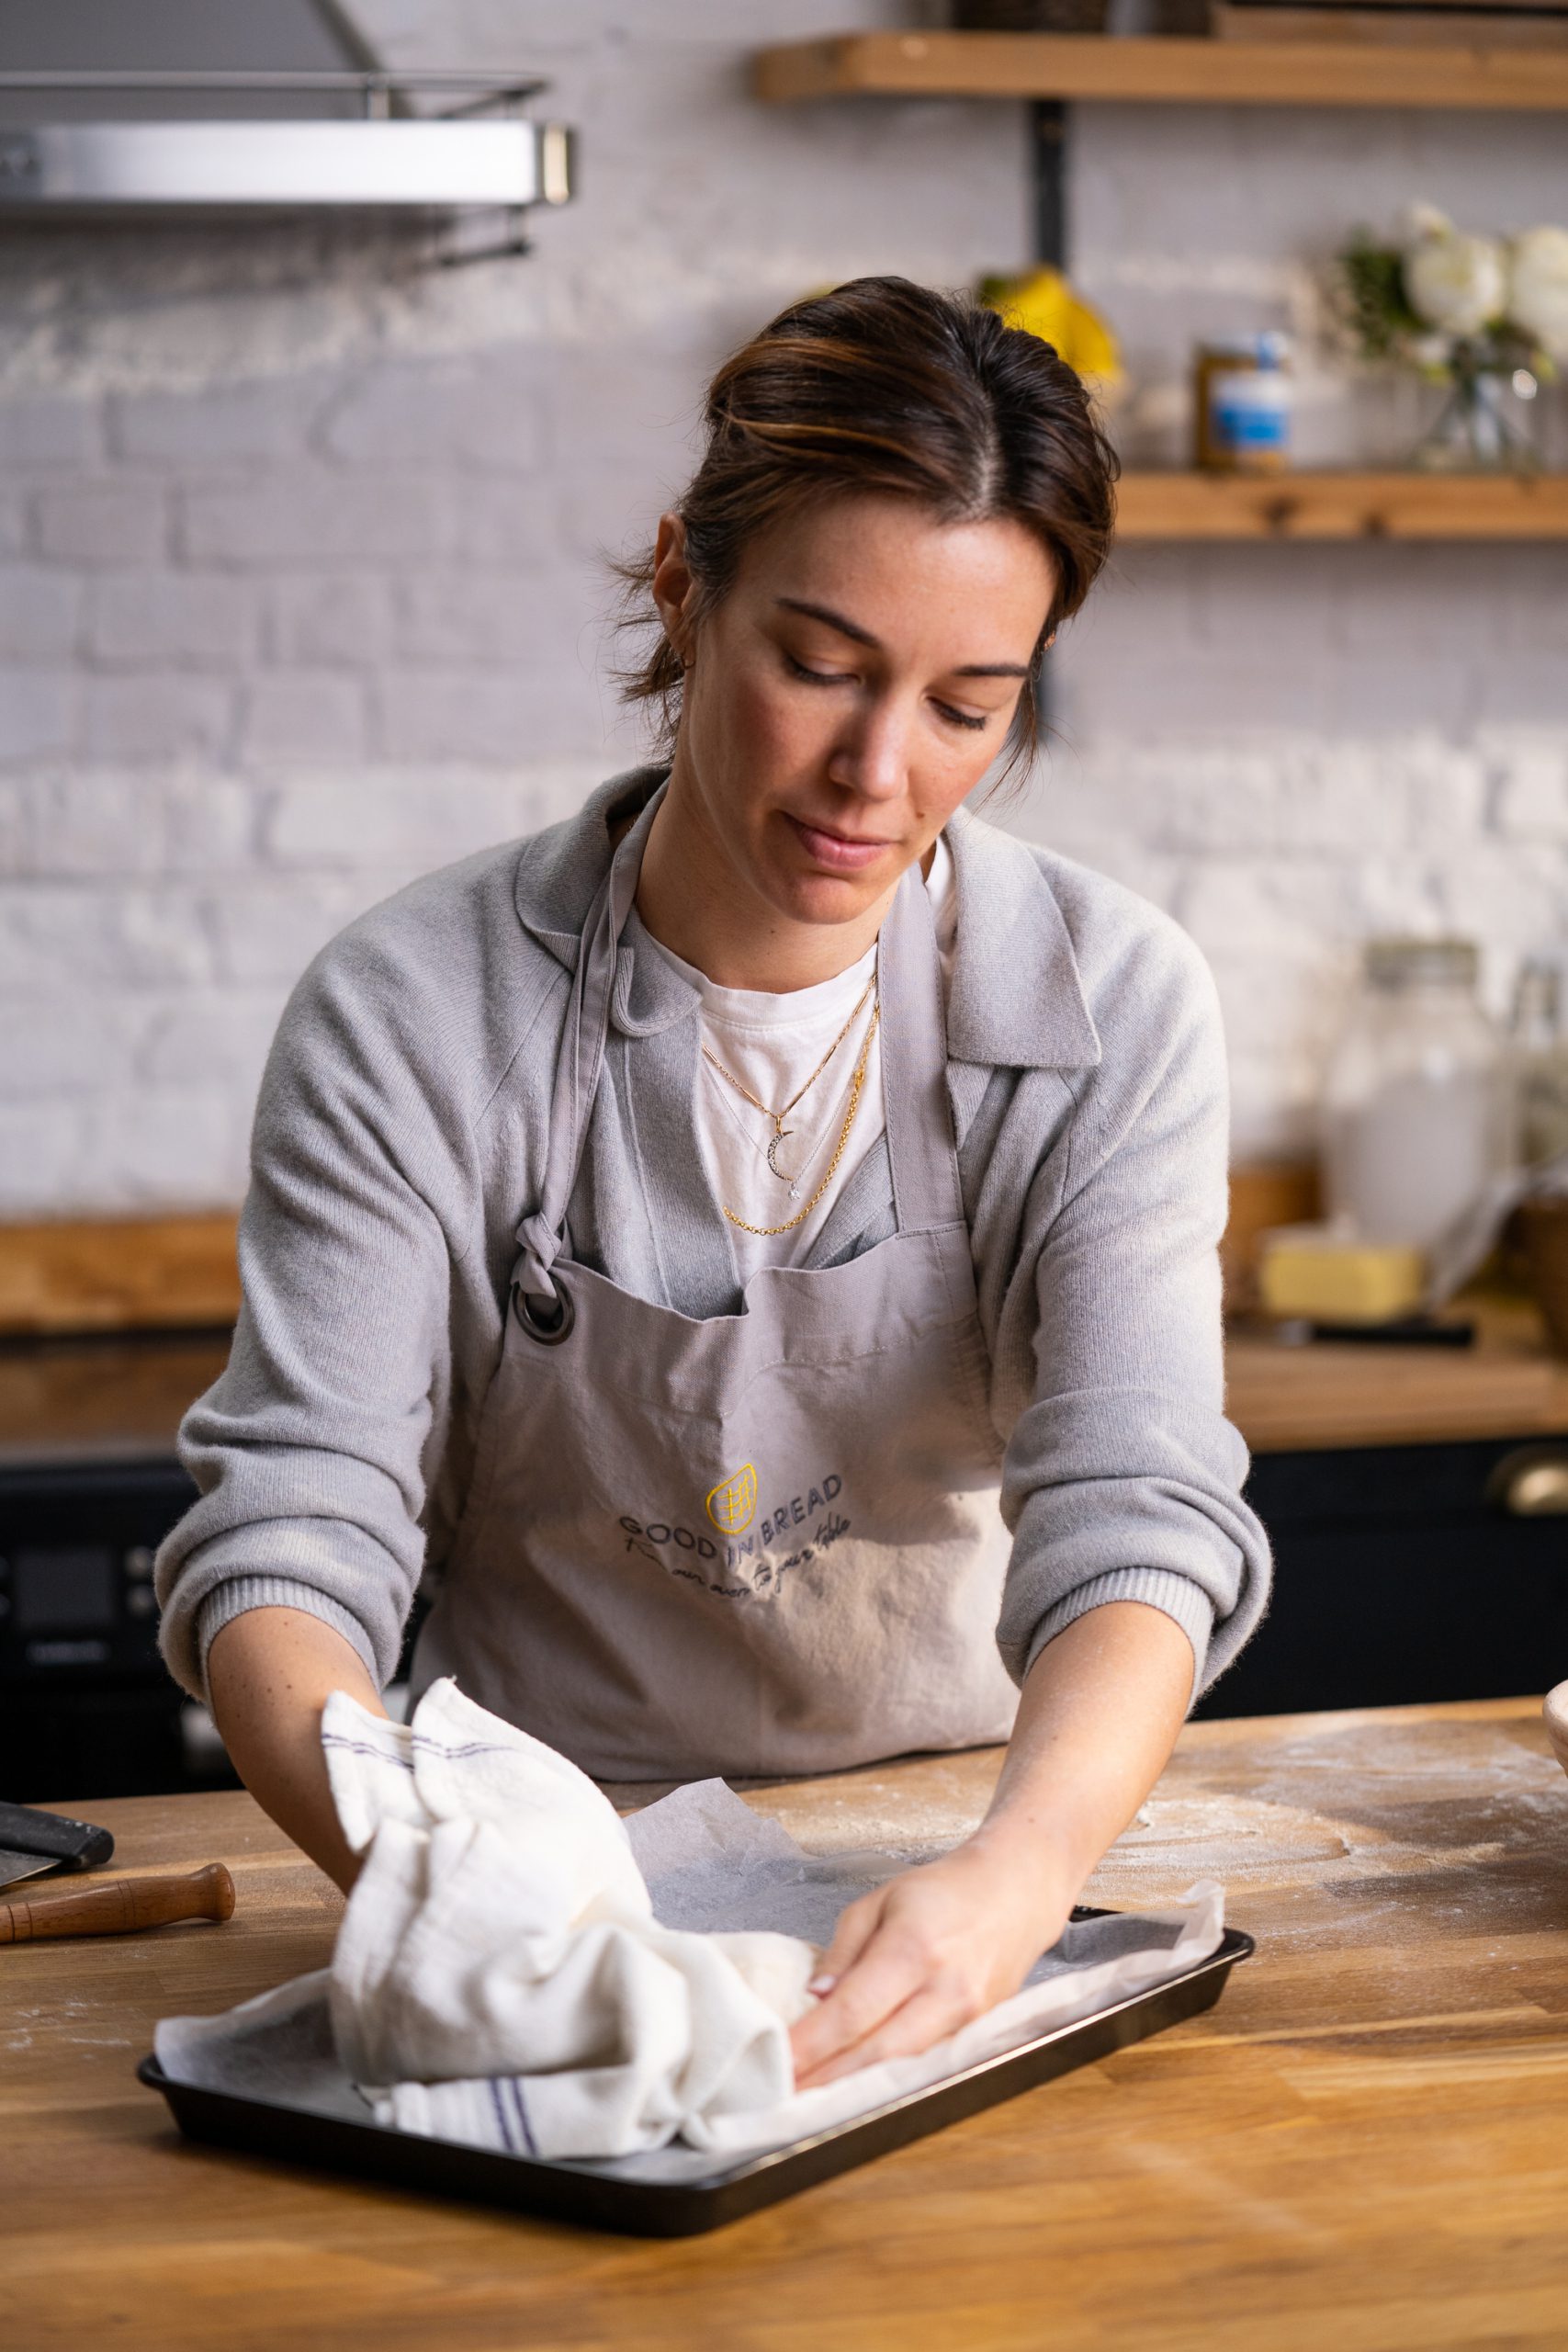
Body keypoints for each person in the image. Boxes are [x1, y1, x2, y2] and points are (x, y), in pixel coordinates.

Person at [157, 277, 1269, 2092]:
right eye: (820, 666)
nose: (876, 772)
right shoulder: (411, 1008)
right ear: (683, 583)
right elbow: (289, 1536)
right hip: (543, 1851)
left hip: (951, 1850)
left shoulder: (1108, 1002)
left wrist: (1010, 1872)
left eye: (965, 703)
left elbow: (1136, 1506)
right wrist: (461, 1905)